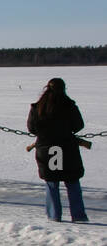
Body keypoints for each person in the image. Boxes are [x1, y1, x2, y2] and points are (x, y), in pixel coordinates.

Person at [27, 77, 90, 222]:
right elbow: (78, 125)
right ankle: (78, 215)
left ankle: (54, 215)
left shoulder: (38, 107)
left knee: (51, 183)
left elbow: (31, 128)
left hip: (46, 149)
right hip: (67, 148)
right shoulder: (69, 105)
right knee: (72, 182)